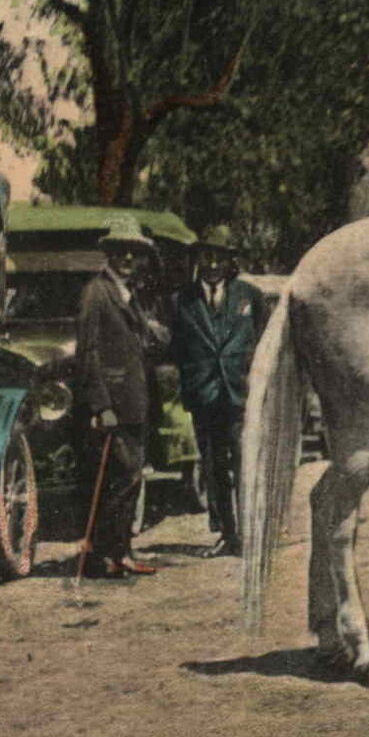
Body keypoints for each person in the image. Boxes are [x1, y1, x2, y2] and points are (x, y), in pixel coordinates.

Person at [76, 214, 169, 578]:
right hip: (115, 405)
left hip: (135, 402)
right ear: (110, 254)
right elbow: (89, 353)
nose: (128, 260)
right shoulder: (96, 293)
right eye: (121, 252)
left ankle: (121, 552)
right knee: (120, 479)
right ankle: (104, 555)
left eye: (134, 254)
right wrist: (102, 405)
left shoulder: (130, 295)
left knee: (129, 480)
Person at [169, 225, 264, 557]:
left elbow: (264, 344)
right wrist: (190, 382)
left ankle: (251, 533)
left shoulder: (250, 296)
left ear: (229, 262)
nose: (211, 265)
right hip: (203, 396)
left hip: (240, 395)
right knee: (213, 467)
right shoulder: (181, 300)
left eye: (218, 258)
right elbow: (175, 349)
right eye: (206, 257)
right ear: (198, 260)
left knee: (244, 463)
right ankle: (227, 533)